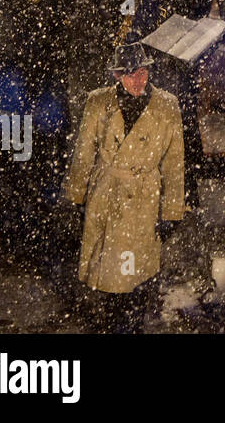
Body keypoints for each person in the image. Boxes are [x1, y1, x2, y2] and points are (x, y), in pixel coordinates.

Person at [65, 41, 185, 332]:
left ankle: (129, 326)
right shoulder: (98, 103)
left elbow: (174, 164)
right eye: (130, 74)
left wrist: (171, 212)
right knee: (111, 280)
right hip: (107, 196)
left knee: (135, 280)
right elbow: (84, 153)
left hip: (144, 200)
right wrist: (77, 198)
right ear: (117, 76)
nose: (138, 80)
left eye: (143, 72)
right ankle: (116, 325)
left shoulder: (167, 105)